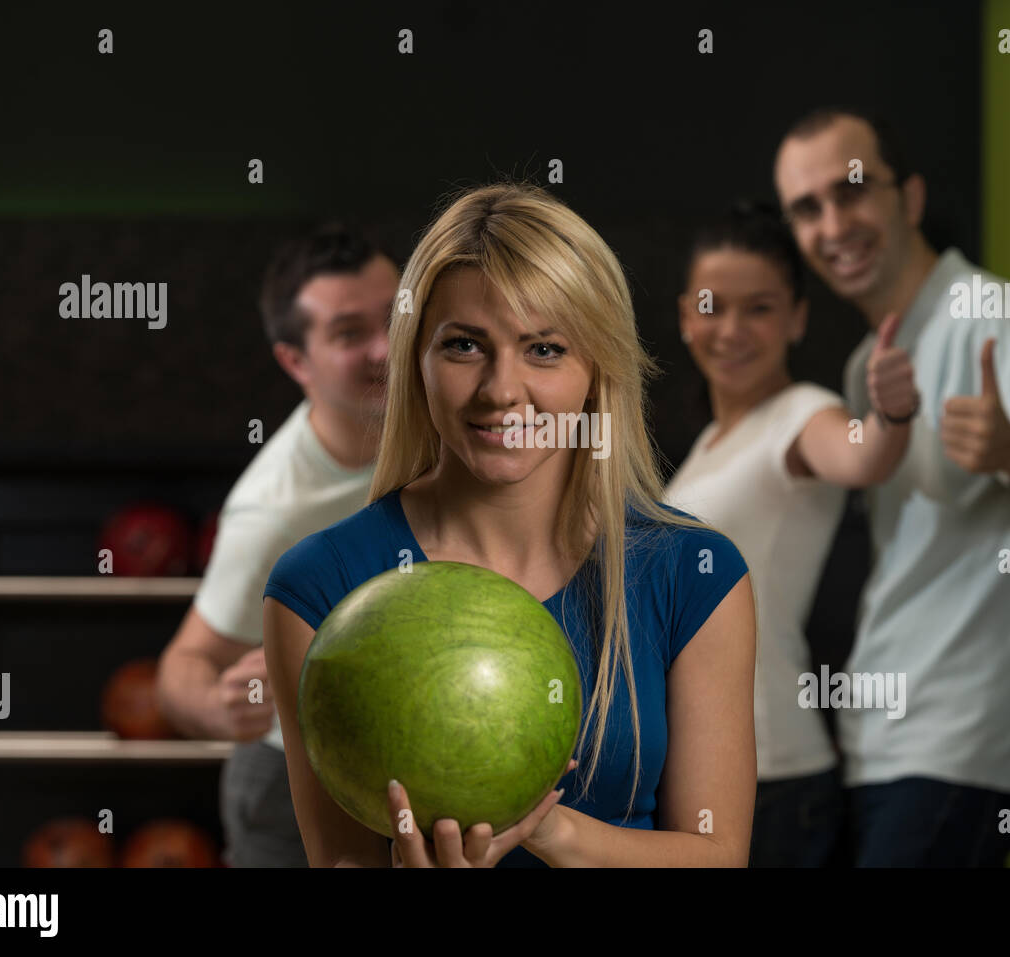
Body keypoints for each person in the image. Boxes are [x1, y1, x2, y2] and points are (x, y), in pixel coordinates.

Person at [262, 182, 757, 868]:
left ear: (596, 369)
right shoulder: (319, 584)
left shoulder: (695, 573)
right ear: (417, 361)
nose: (502, 389)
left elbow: (719, 855)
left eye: (545, 349)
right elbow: (341, 859)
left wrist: (553, 834)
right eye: (465, 344)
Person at [773, 107, 1010, 866]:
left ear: (910, 199)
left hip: (966, 732)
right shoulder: (866, 364)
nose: (833, 222)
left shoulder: (989, 311)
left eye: (852, 189)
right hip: (883, 728)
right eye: (807, 207)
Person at [663, 201, 918, 867]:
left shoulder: (805, 415)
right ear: (687, 313)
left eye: (762, 308)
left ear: (798, 318)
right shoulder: (708, 447)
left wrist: (891, 415)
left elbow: (862, 454)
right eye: (715, 306)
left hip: (772, 774)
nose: (733, 329)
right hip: (711, 773)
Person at [155, 223, 399, 867]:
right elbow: (181, 669)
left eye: (396, 317)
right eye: (350, 334)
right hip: (292, 789)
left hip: (427, 764)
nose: (387, 348)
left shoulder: (464, 423)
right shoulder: (274, 508)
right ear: (296, 361)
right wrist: (218, 704)